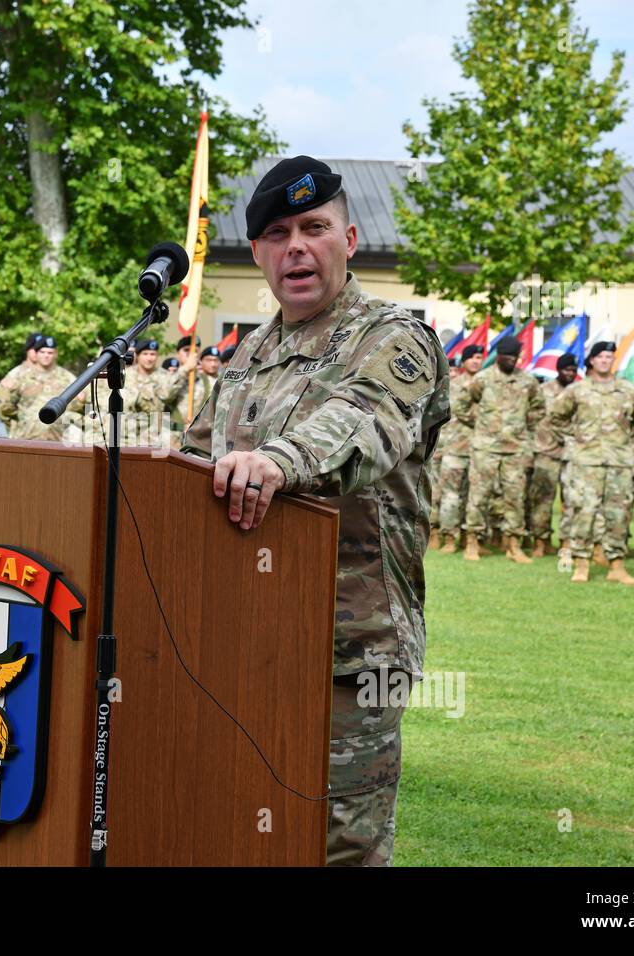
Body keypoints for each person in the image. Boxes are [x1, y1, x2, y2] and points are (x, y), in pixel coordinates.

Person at [181, 156, 449, 866]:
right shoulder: (248, 354)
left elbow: (367, 425)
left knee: (339, 849)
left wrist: (278, 461)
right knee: (244, 831)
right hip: (241, 640)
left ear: (350, 239)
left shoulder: (397, 338)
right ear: (260, 255)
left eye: (314, 227)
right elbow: (189, 463)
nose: (296, 246)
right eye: (277, 234)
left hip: (352, 649)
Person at [548, 341, 634, 584]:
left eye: (609, 356)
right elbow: (555, 417)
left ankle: (617, 565)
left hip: (618, 463)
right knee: (584, 512)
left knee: (619, 514)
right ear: (591, 360)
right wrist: (574, 441)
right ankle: (581, 563)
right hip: (586, 463)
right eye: (601, 356)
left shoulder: (627, 390)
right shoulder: (577, 390)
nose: (605, 360)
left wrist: (632, 450)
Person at [453, 336, 545, 562]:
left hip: (515, 449)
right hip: (485, 448)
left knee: (515, 497)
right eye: (508, 357)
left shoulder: (527, 381)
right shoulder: (483, 379)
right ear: (499, 357)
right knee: (479, 495)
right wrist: (480, 424)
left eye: (515, 357)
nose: (512, 361)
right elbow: (461, 406)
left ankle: (514, 545)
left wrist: (522, 426)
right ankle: (472, 541)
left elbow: (539, 408)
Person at [528, 353, 578, 558]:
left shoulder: (579, 392)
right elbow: (533, 416)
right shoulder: (543, 391)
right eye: (567, 370)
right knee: (542, 500)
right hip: (546, 452)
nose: (570, 374)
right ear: (558, 370)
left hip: (572, 455)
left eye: (574, 370)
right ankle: (541, 541)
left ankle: (566, 542)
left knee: (571, 500)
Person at [435, 345, 482, 552]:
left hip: (481, 449)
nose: (475, 361)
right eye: (471, 357)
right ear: (463, 361)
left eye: (479, 357)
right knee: (451, 496)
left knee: (475, 496)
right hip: (455, 448)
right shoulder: (454, 385)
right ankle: (449, 536)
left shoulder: (487, 383)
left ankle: (470, 538)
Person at [0, 334, 79, 441]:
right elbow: (1, 409)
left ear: (56, 354)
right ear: (36, 354)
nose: (46, 356)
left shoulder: (67, 378)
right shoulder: (19, 375)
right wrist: (19, 425)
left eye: (50, 352)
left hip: (59, 441)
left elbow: (78, 409)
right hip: (25, 440)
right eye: (42, 352)